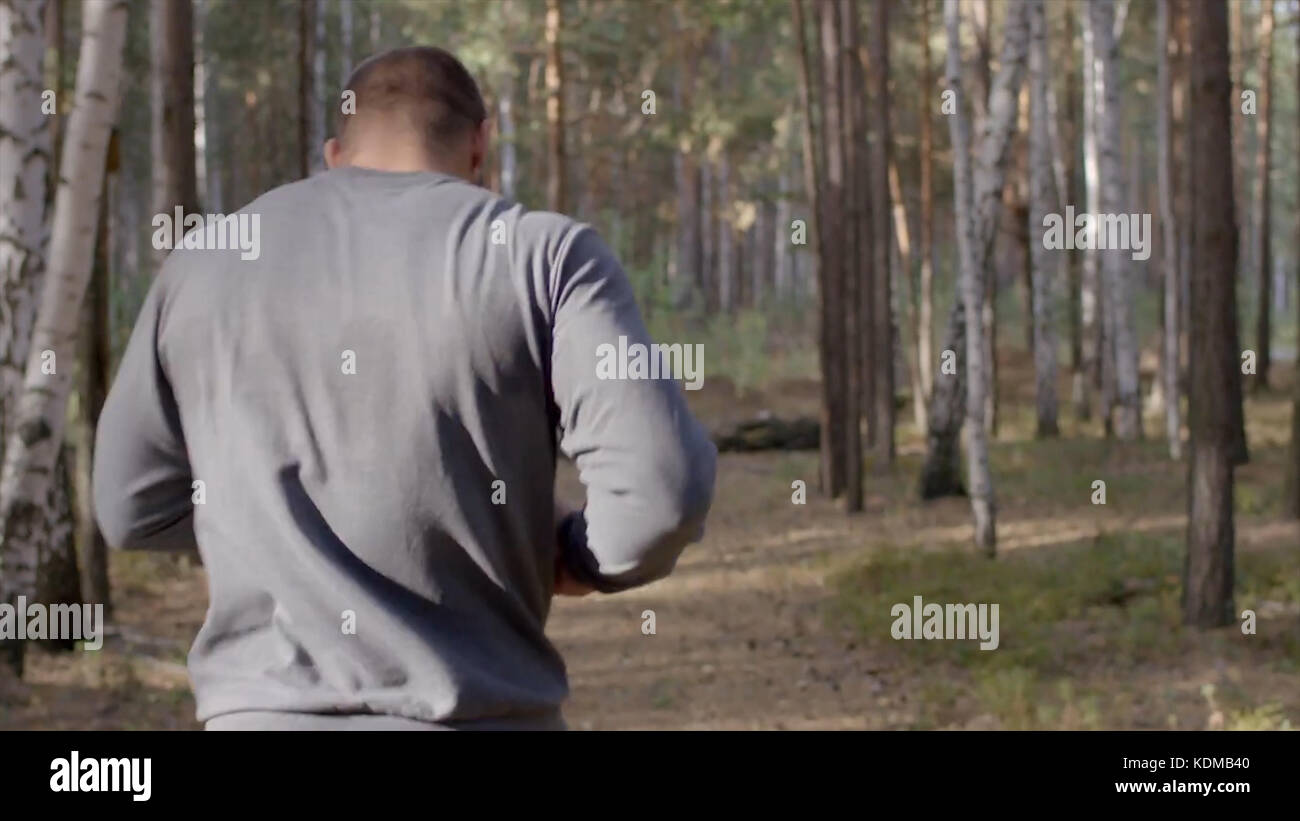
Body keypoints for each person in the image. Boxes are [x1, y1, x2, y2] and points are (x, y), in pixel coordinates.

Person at [92, 46, 717, 730]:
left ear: (334, 154)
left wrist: (270, 523)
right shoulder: (545, 256)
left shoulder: (205, 261)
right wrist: (572, 552)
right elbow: (661, 491)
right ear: (481, 146)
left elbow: (131, 507)